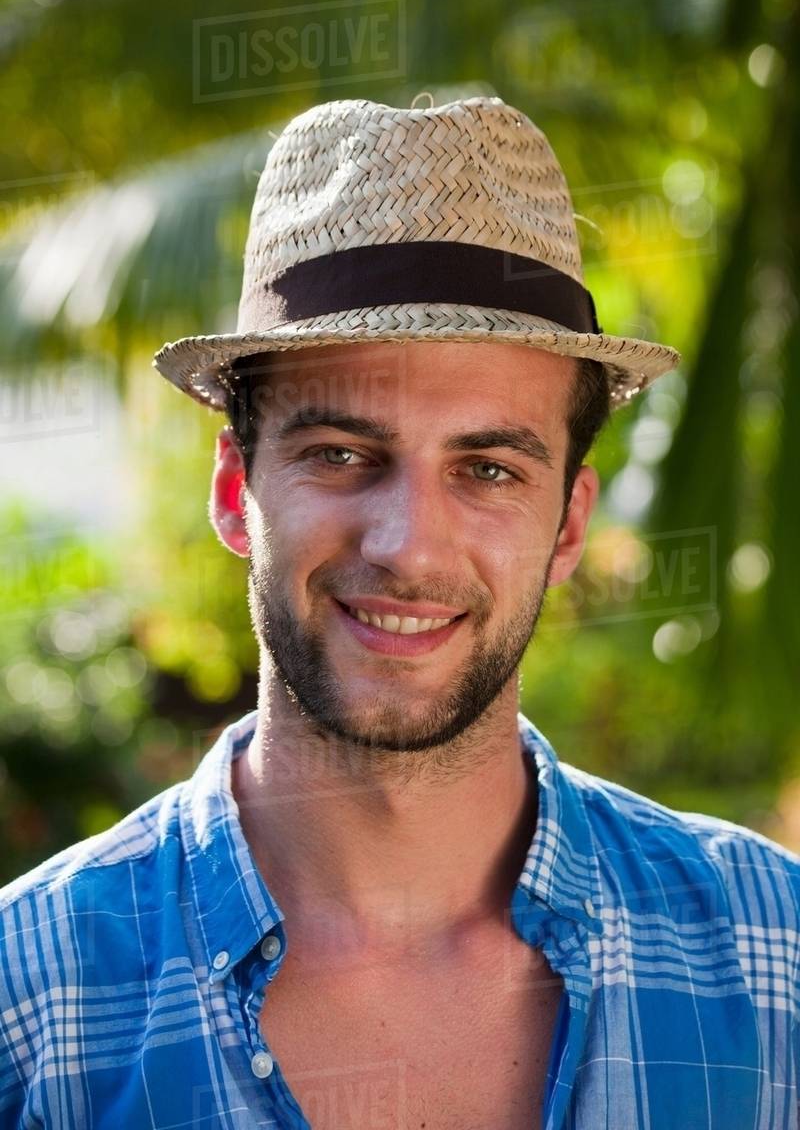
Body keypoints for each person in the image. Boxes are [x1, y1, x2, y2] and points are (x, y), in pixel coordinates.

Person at [1, 95, 797, 1130]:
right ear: (236, 491)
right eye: (341, 454)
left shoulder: (773, 958)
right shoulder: (30, 1002)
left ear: (567, 525)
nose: (408, 546)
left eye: (488, 468)